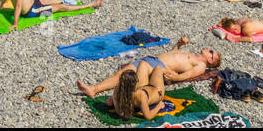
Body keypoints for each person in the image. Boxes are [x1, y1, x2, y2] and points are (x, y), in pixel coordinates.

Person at [76, 37, 221, 97]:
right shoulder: (191, 54)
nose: (208, 49)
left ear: (211, 60)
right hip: (153, 60)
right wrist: (178, 44)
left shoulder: (201, 65)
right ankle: (94, 89)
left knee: (130, 79)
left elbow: (188, 75)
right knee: (121, 74)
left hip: (158, 67)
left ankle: (110, 96)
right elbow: (171, 54)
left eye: (211, 52)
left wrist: (175, 77)